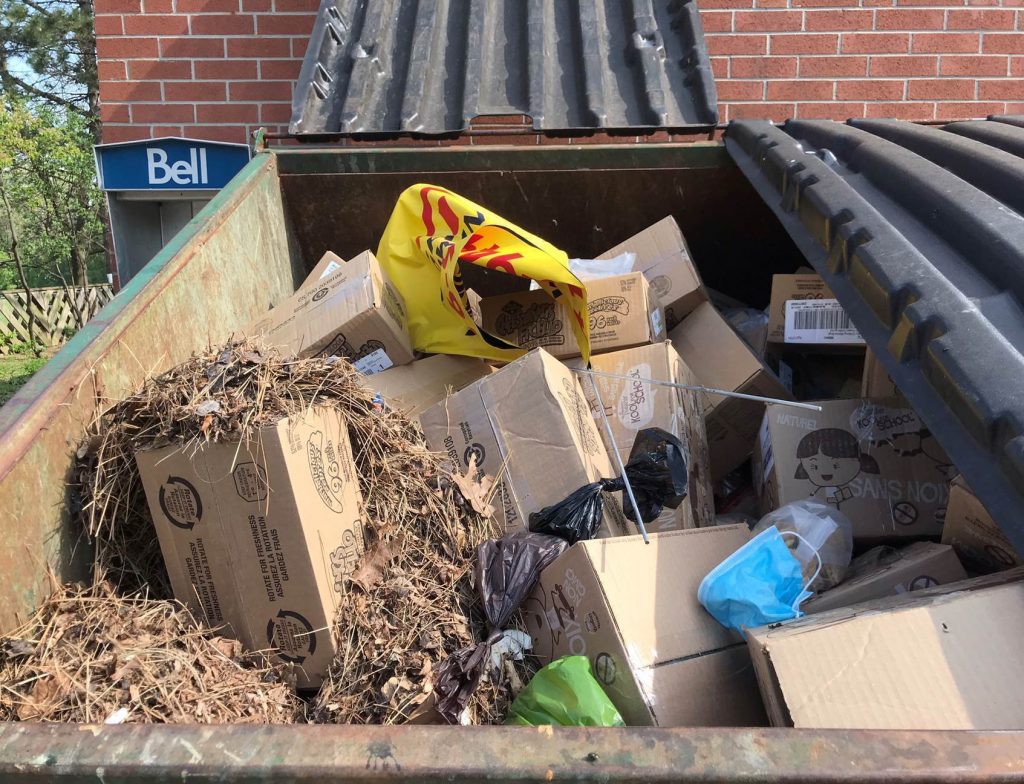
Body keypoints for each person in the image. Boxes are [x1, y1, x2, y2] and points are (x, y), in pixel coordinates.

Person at [795, 428, 879, 508]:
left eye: (835, 466)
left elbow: (844, 499)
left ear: (858, 461)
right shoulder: (821, 492)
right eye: (815, 467)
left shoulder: (844, 491)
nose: (826, 472)